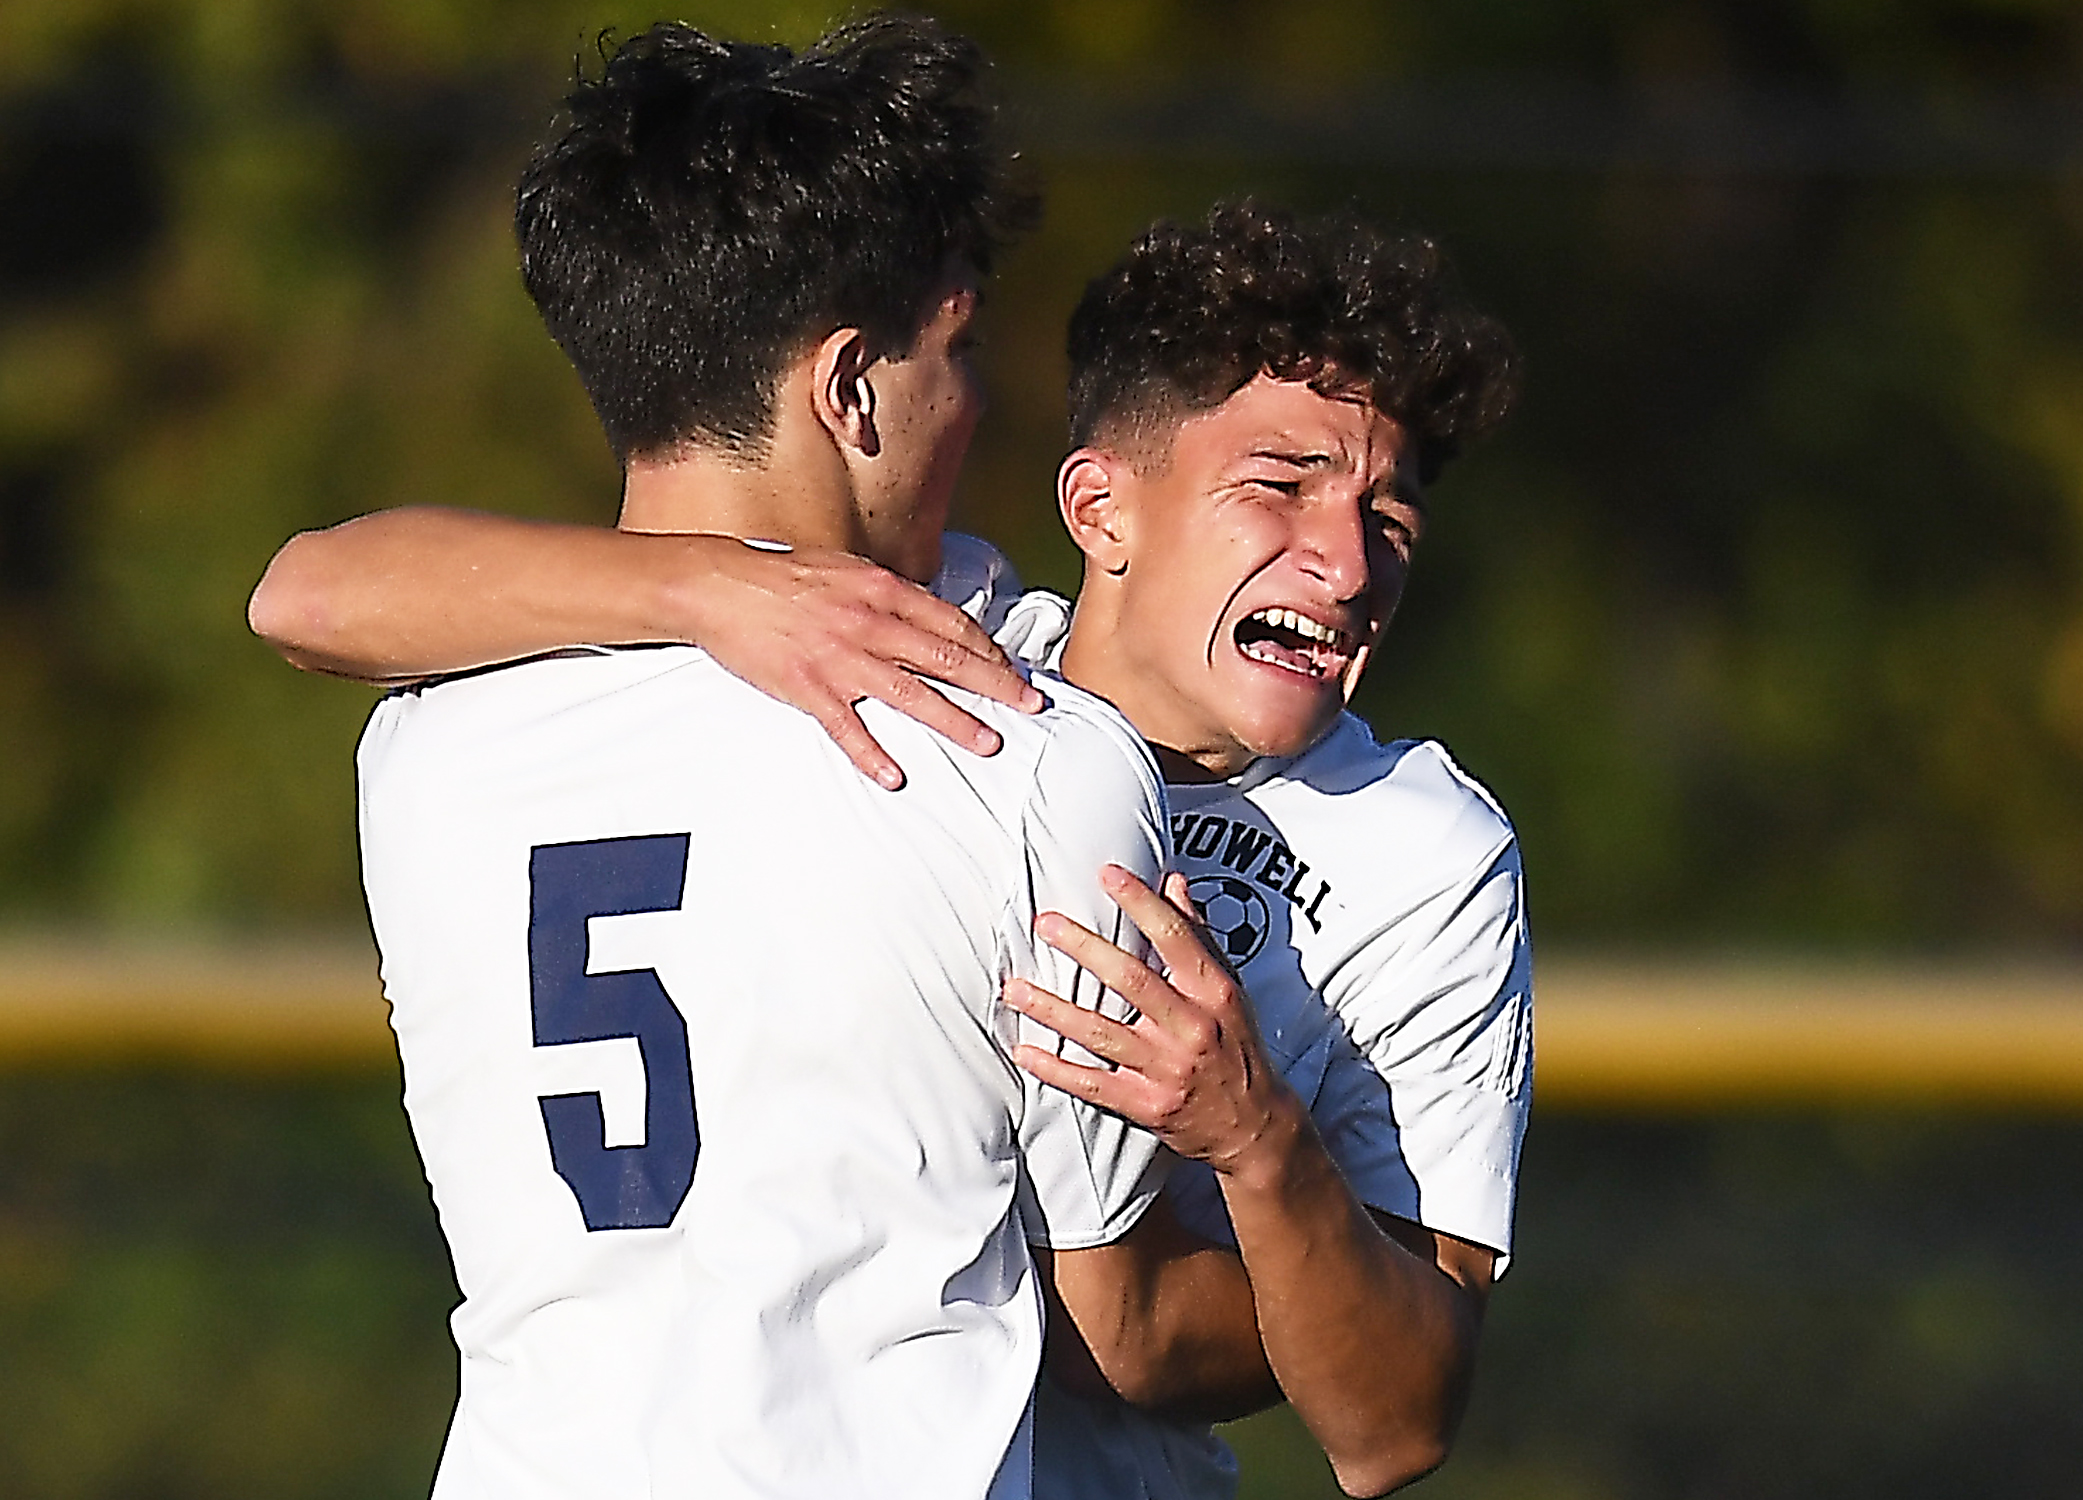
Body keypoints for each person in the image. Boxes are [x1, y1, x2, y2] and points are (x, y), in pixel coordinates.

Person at [257, 196, 1530, 1497]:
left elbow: (1392, 1428)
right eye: (1282, 487)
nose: (1347, 561)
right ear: (1102, 512)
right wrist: (712, 586)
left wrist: (1259, 1143)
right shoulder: (928, 669)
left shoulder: (1423, 856)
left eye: (1393, 522)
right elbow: (309, 592)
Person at [314, 20, 1270, 1500]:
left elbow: (312, 591)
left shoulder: (424, 747)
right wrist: (1347, 1243)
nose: (978, 402)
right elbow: (1123, 1324)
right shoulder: (1023, 758)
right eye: (957, 351)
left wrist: (701, 587)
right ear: (850, 389)